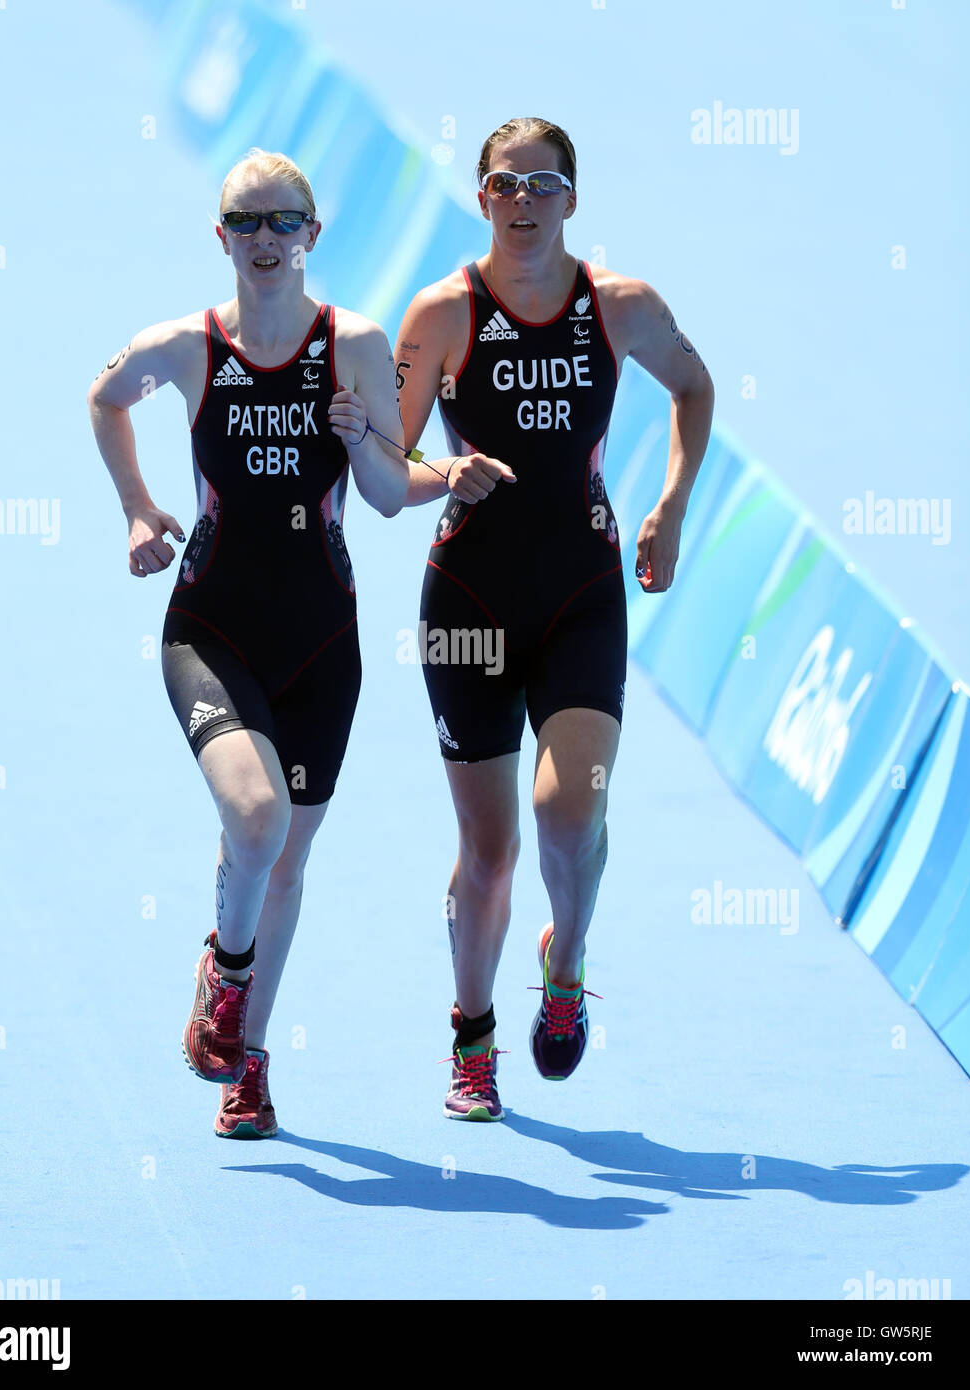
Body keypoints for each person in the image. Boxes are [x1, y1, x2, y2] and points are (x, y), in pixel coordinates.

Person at [395, 117, 714, 1120]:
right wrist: (443, 470)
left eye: (542, 186)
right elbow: (380, 472)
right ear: (479, 198)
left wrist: (670, 502)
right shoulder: (442, 316)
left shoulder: (619, 307)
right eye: (504, 185)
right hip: (468, 606)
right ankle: (472, 1039)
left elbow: (694, 388)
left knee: (565, 815)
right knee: (488, 852)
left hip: (581, 594)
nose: (523, 203)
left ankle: (565, 957)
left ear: (572, 198)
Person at [87, 149, 410, 1137]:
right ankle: (225, 971)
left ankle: (250, 1060)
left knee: (285, 865)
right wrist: (139, 511)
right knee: (256, 819)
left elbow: (393, 496)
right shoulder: (188, 346)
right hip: (211, 627)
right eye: (247, 220)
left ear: (314, 234)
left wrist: (360, 438)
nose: (265, 238)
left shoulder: (353, 343)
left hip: (322, 644)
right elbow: (104, 398)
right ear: (219, 235)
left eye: (284, 220)